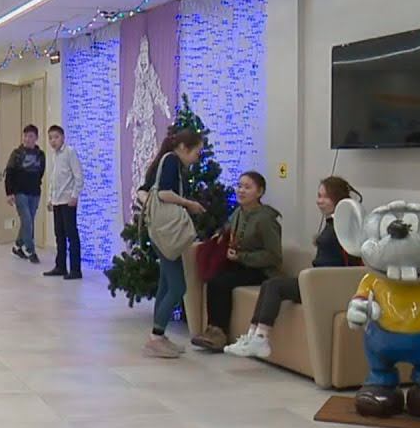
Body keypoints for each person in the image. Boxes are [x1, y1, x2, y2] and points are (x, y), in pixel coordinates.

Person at [226, 176, 363, 359]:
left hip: (325, 283)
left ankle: (260, 338)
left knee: (274, 286)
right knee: (269, 285)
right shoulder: (333, 222)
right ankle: (252, 336)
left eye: (325, 197)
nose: (319, 201)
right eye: (318, 196)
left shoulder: (344, 225)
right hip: (315, 279)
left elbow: (351, 258)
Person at [192, 171, 283, 351]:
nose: (241, 191)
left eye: (247, 187)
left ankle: (220, 334)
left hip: (262, 271)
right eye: (239, 186)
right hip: (241, 265)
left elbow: (274, 256)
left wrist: (242, 257)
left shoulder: (266, 219)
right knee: (214, 279)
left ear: (259, 192)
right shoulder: (239, 213)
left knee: (221, 282)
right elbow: (229, 228)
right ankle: (212, 330)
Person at [138, 129, 206, 358]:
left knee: (166, 284)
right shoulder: (171, 161)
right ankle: (155, 338)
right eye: (196, 152)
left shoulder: (165, 161)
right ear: (184, 148)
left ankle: (159, 334)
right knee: (178, 287)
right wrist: (188, 204)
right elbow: (164, 194)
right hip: (166, 231)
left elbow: (145, 190)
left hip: (161, 231)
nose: (197, 158)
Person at [44, 125, 85, 280]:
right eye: (50, 138)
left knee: (71, 235)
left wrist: (75, 196)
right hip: (57, 201)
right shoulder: (53, 156)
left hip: (68, 201)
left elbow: (78, 176)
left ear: (63, 137)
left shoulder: (70, 152)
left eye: (56, 137)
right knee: (59, 234)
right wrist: (50, 198)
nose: (53, 141)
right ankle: (60, 266)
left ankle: (75, 269)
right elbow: (53, 179)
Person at [5, 125, 46, 264]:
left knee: (28, 221)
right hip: (20, 192)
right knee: (27, 220)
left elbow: (41, 172)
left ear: (36, 138)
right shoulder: (17, 153)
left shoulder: (40, 155)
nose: (27, 139)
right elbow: (9, 173)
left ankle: (17, 246)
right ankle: (30, 250)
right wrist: (9, 192)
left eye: (31, 136)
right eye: (25, 136)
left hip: (34, 192)